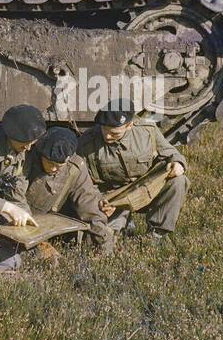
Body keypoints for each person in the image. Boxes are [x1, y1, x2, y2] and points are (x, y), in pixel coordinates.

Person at [77, 99, 187, 241]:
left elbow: (171, 153)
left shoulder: (147, 131)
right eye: (104, 130)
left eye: (114, 133)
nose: (107, 136)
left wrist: (178, 163)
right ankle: (124, 224)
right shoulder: (88, 142)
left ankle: (157, 235)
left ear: (129, 125)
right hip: (113, 199)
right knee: (106, 237)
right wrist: (98, 201)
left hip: (145, 190)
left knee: (178, 181)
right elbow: (82, 182)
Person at [23, 127, 114, 254]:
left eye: (59, 165)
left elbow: (88, 203)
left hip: (53, 224)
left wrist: (103, 236)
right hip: (22, 222)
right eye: (50, 163)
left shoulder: (75, 168)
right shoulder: (26, 159)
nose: (54, 169)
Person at [0, 104, 45, 225]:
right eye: (24, 143)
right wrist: (7, 208)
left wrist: (26, 218)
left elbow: (17, 194)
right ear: (10, 135)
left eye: (32, 143)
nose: (28, 148)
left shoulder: (22, 150)